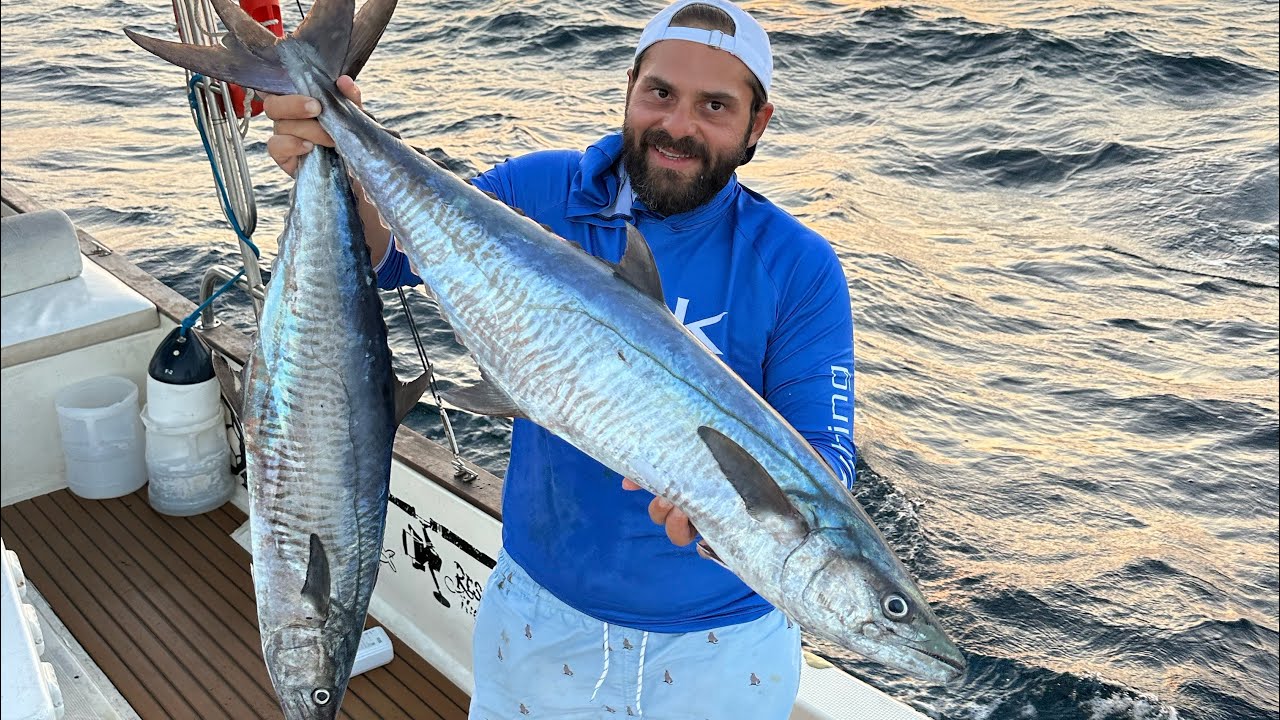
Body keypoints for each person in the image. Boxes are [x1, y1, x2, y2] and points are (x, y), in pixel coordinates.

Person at [265, 1, 856, 717]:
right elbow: (390, 259)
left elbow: (826, 459)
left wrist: (737, 514)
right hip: (541, 617)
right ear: (630, 85)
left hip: (722, 646)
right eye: (660, 93)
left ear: (756, 124)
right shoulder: (540, 190)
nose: (678, 125)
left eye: (716, 106)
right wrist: (324, 147)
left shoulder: (797, 265)